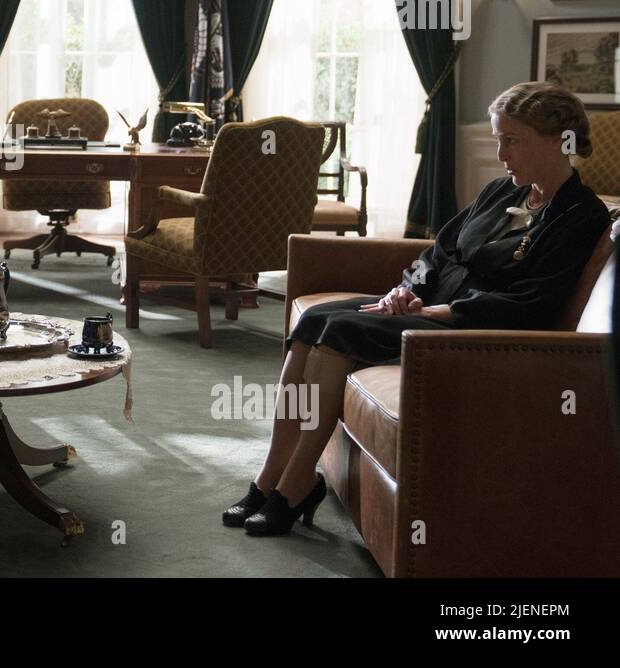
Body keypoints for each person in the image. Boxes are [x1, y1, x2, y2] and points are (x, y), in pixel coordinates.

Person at [223, 81, 609, 536]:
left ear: (558, 139)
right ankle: (268, 478)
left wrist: (436, 314)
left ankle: (296, 484)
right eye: (497, 139)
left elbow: (532, 304)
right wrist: (405, 292)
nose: (501, 154)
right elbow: (439, 252)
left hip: (467, 330)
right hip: (427, 306)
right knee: (314, 320)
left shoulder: (582, 216)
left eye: (511, 141)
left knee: (340, 333)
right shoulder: (501, 191)